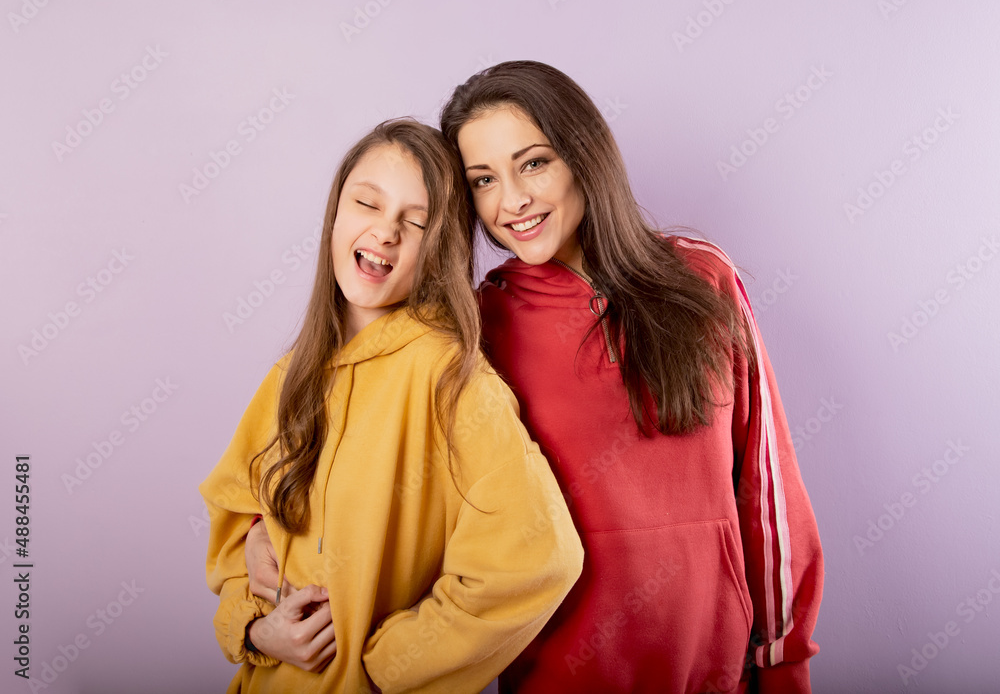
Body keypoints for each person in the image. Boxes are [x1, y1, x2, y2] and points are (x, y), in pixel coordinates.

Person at [248, 62, 824, 693]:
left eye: (534, 163)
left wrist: (783, 661)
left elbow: (768, 490)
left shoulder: (702, 279)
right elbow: (361, 461)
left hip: (713, 676)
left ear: (583, 154)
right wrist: (258, 538)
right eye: (483, 181)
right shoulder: (472, 331)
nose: (512, 201)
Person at [200, 118, 584, 694]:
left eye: (416, 221)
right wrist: (256, 629)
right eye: (367, 204)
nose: (385, 233)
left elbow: (536, 559)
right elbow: (233, 516)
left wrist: (382, 668)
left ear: (440, 248)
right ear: (336, 213)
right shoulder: (291, 375)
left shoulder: (453, 380)